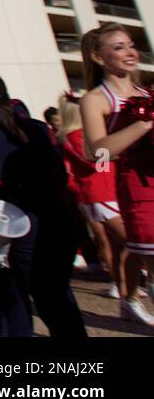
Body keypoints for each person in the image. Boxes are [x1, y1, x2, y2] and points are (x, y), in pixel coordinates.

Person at [0, 73, 86, 337]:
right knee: (58, 300)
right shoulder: (39, 128)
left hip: (7, 225)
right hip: (54, 218)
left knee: (11, 300)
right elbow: (60, 174)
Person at [77, 22, 154, 326]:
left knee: (137, 249)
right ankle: (131, 299)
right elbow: (97, 153)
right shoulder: (95, 99)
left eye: (131, 45)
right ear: (99, 57)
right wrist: (143, 126)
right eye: (119, 47)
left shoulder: (148, 92)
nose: (129, 52)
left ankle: (130, 299)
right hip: (138, 186)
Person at [59, 98, 128, 300]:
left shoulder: (82, 135)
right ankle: (120, 283)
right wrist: (115, 149)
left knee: (116, 244)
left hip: (107, 192)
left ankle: (123, 286)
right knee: (126, 241)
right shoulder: (75, 136)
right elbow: (94, 162)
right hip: (98, 193)